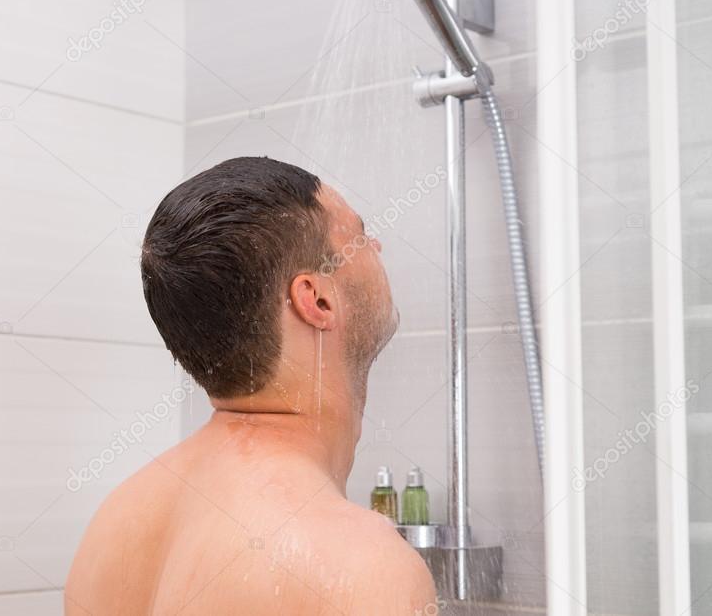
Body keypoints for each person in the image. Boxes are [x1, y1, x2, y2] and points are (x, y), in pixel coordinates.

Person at [66, 156, 438, 614]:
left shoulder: (119, 520)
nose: (376, 245)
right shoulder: (362, 566)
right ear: (316, 300)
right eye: (359, 236)